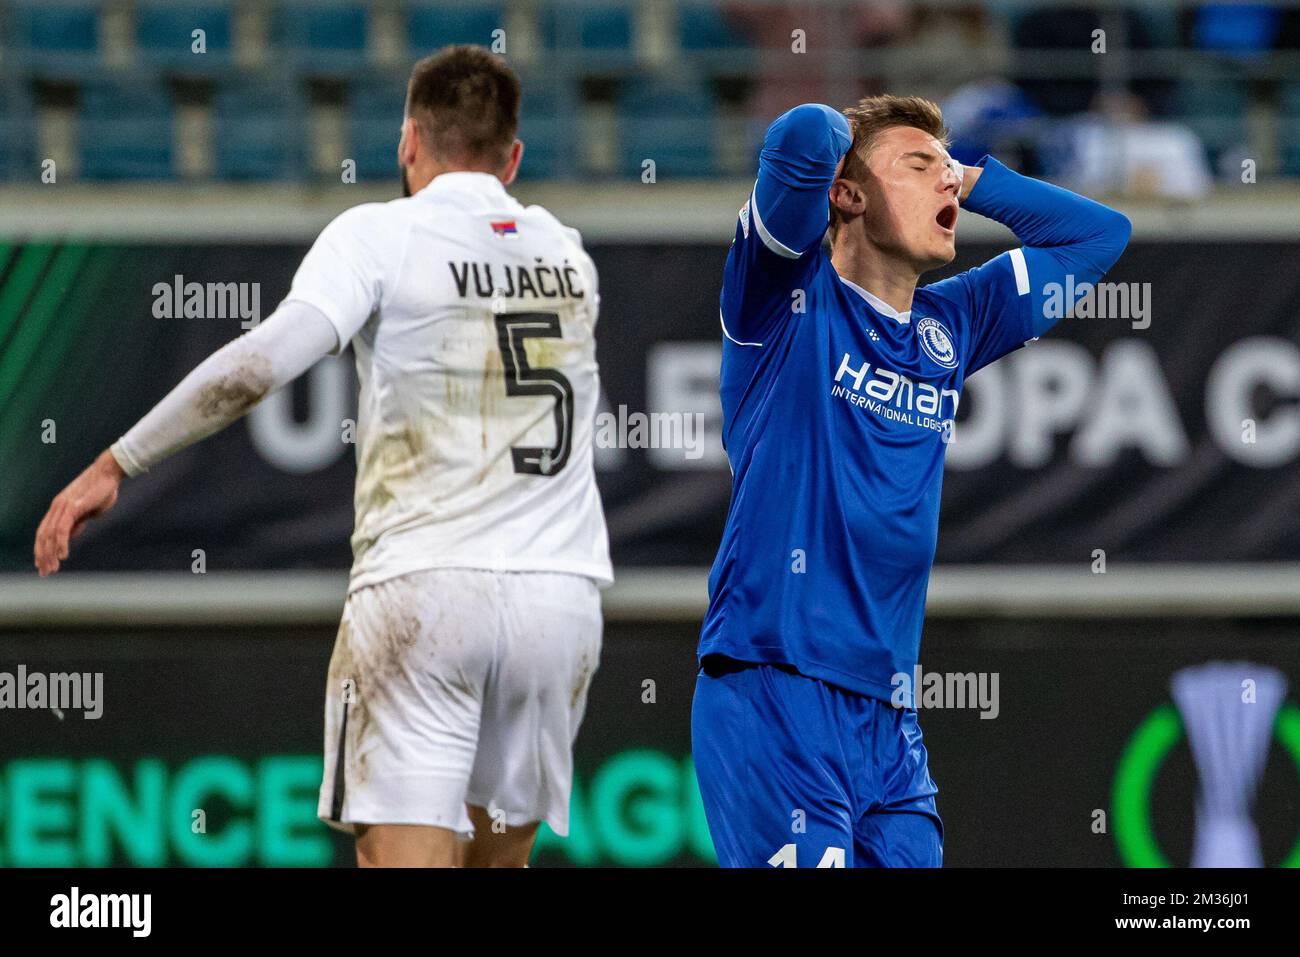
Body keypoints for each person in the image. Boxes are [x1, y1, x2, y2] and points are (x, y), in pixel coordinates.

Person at [33, 45, 612, 868]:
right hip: (561, 601)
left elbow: (259, 364)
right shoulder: (569, 255)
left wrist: (117, 461)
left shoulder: (381, 232)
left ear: (408, 139)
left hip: (425, 591)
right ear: (513, 156)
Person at [691, 97, 1130, 867]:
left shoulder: (951, 326)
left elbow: (1099, 237)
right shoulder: (783, 298)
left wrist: (968, 173)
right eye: (919, 168)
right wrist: (858, 142)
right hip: (775, 685)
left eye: (948, 171)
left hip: (888, 719)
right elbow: (803, 136)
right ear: (847, 194)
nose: (947, 188)